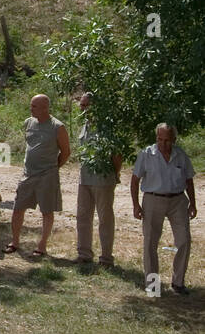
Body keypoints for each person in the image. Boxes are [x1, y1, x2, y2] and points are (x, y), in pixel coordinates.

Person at [131, 124, 196, 295]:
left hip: (177, 201)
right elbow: (134, 180)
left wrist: (193, 204)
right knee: (150, 242)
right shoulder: (147, 154)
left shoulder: (180, 155)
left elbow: (189, 180)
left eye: (167, 140)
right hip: (153, 199)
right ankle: (153, 286)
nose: (163, 143)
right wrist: (136, 205)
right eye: (160, 139)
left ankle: (178, 282)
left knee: (184, 240)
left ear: (174, 140)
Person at [7, 94, 70, 257]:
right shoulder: (29, 122)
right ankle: (15, 242)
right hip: (28, 174)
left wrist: (53, 168)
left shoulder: (57, 126)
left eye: (34, 106)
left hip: (47, 175)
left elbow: (65, 152)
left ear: (45, 107)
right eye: (31, 105)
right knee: (18, 207)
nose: (31, 108)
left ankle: (41, 246)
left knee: (47, 210)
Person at [75, 92, 121, 267]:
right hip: (84, 179)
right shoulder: (85, 125)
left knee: (105, 219)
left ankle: (106, 258)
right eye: (82, 105)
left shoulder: (107, 127)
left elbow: (117, 155)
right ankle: (84, 253)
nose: (83, 108)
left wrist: (114, 175)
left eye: (86, 105)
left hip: (103, 180)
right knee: (83, 217)